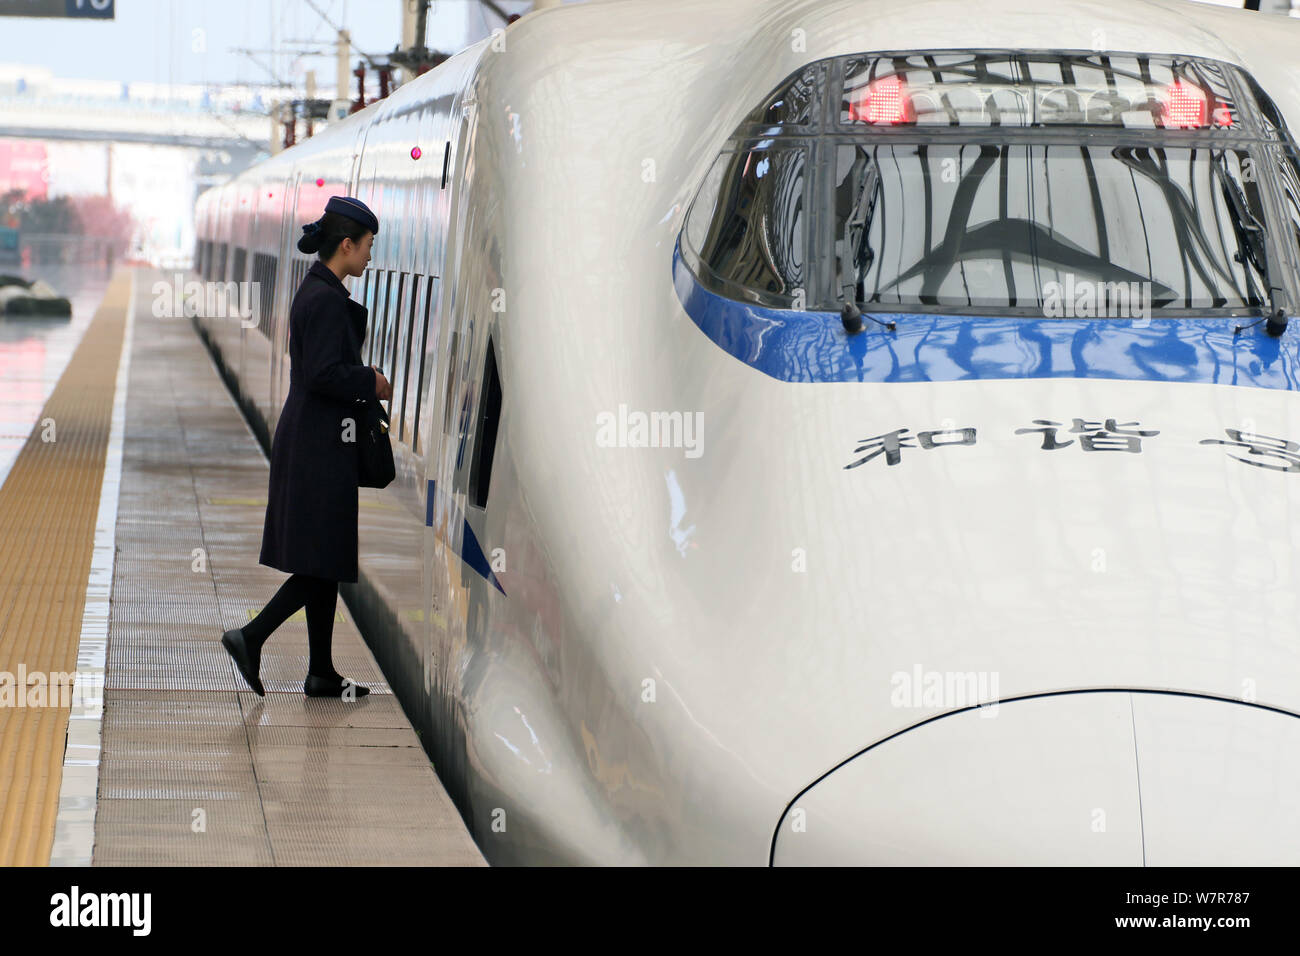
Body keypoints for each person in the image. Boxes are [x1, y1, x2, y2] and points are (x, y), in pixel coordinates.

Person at [221, 195, 393, 699]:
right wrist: (373, 381)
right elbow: (323, 374)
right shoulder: (322, 299)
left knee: (327, 558)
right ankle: (249, 637)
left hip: (320, 441)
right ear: (346, 245)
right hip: (318, 446)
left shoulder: (320, 292)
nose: (369, 257)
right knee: (320, 562)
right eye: (367, 247)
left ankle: (321, 673)